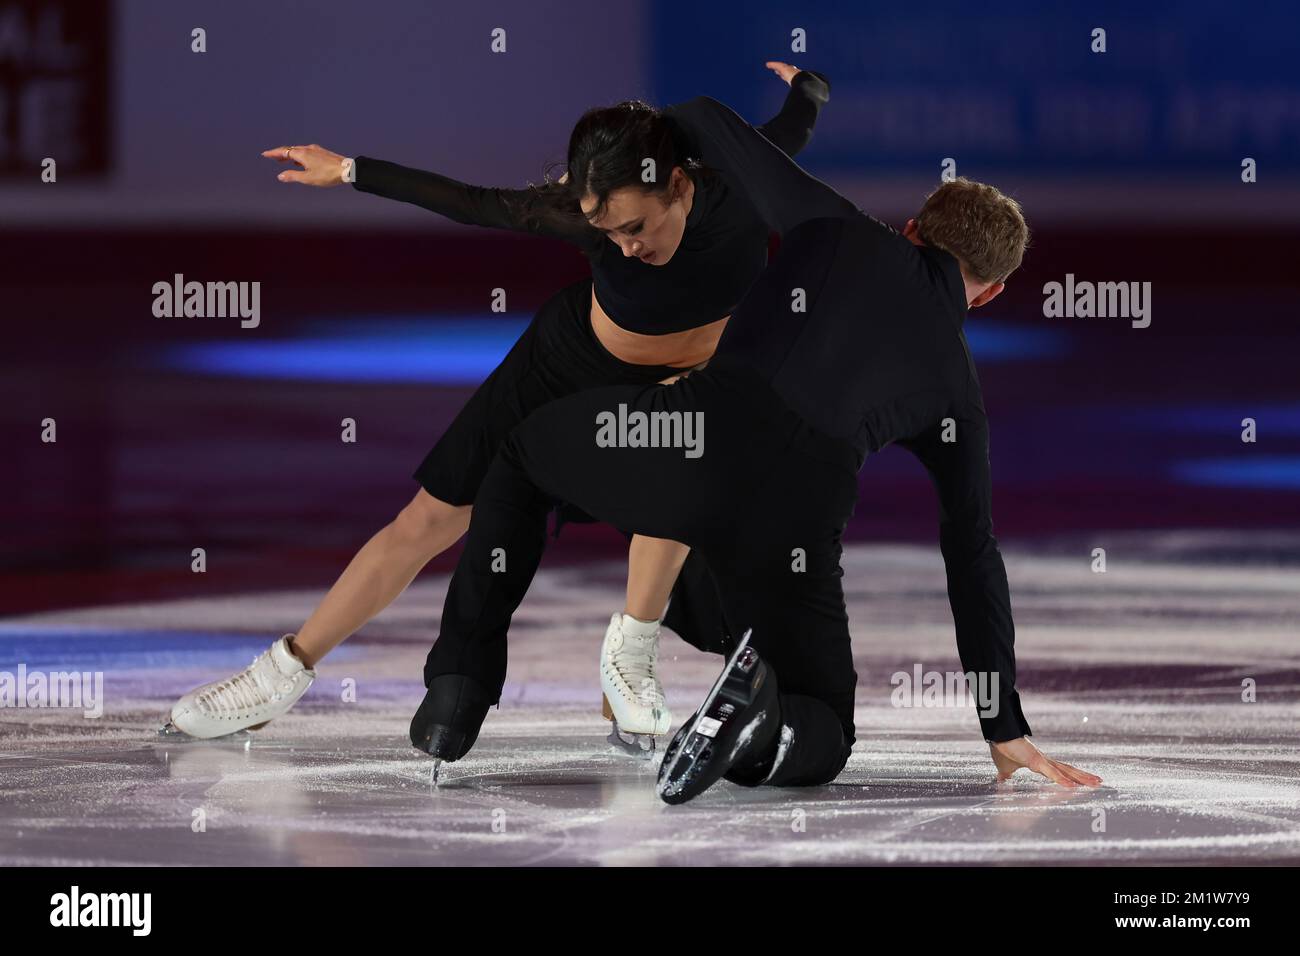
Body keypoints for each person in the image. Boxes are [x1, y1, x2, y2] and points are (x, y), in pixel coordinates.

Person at [405, 98, 1102, 801]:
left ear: (915, 228)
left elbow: (707, 118)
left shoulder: (834, 224)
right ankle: (769, 725)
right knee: (826, 720)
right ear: (990, 295)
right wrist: (1001, 722)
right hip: (794, 523)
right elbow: (973, 556)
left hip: (688, 443)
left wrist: (643, 147)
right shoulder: (959, 393)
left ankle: (460, 686)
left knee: (523, 453)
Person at [164, 64, 836, 749]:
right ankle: (281, 672)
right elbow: (470, 201)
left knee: (683, 454)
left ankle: (629, 662)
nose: (627, 246)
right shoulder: (584, 217)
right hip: (566, 363)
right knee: (427, 518)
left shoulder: (745, 190)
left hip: (687, 381)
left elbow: (787, 132)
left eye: (635, 225)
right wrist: (348, 171)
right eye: (608, 233)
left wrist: (808, 90)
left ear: (681, 186)